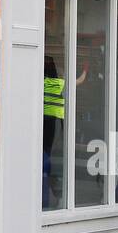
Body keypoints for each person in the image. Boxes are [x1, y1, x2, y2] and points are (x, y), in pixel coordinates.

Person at [42, 55, 66, 207]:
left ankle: (46, 196)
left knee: (44, 155)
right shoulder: (59, 83)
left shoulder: (42, 82)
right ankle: (53, 196)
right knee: (48, 153)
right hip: (55, 123)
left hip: (43, 121)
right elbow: (79, 80)